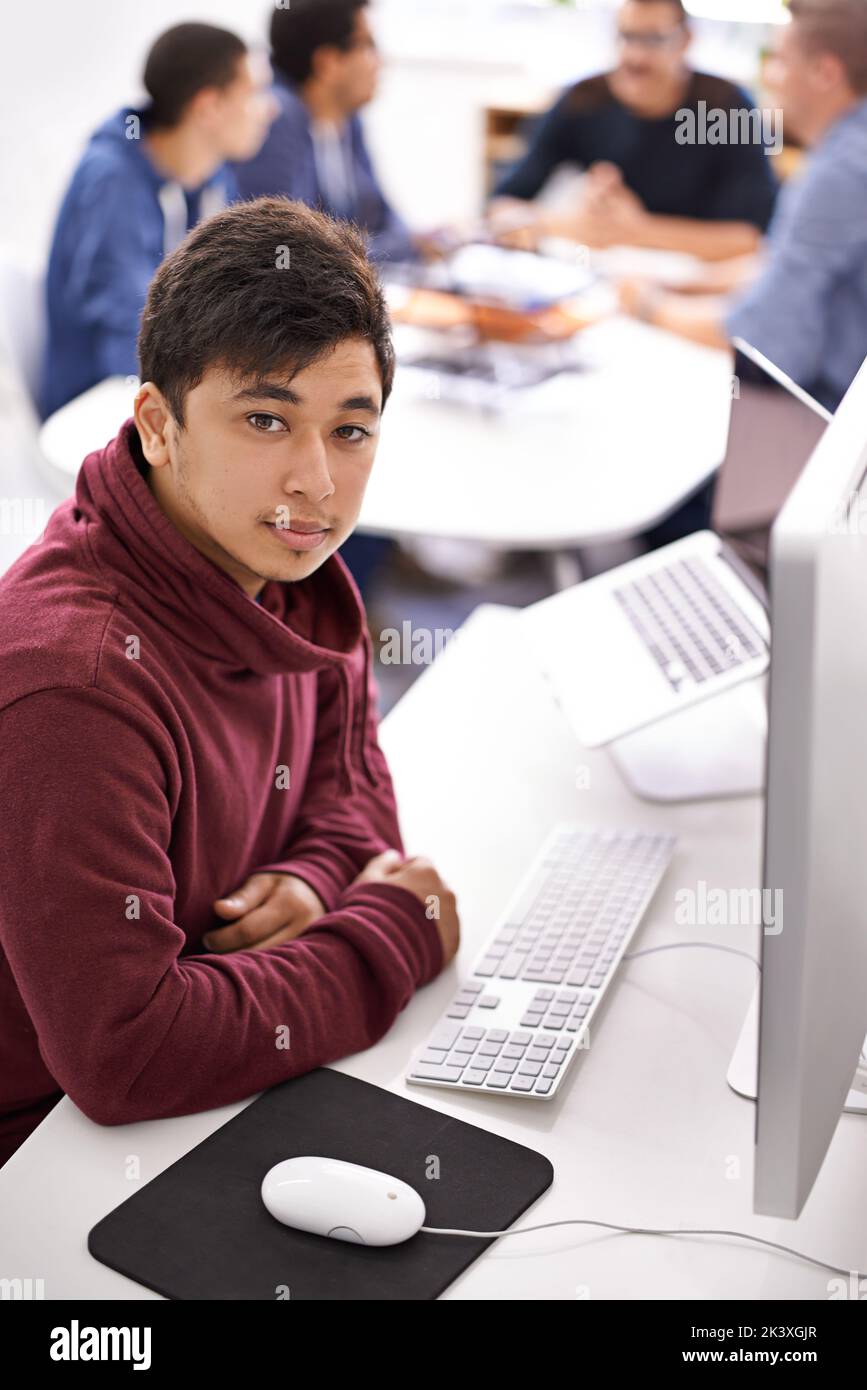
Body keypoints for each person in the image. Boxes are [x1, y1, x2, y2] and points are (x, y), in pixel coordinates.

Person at [0, 197, 459, 1169]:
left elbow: (357, 799)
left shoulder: (286, 569)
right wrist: (391, 932)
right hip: (50, 1160)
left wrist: (311, 877)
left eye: (351, 430)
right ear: (159, 426)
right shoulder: (71, 682)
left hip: (208, 1097)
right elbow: (125, 1049)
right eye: (265, 419)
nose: (317, 486)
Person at [620, 0, 867, 413]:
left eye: (780, 61)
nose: (767, 76)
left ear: (826, 72)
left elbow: (767, 340)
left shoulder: (841, 172)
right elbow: (782, 263)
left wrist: (647, 305)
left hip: (830, 429)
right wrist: (683, 283)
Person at [40, 23, 275, 419]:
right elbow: (125, 336)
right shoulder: (113, 181)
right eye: (253, 94)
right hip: (102, 413)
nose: (270, 108)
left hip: (178, 396)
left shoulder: (212, 178)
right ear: (207, 108)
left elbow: (240, 294)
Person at [489, 0, 778, 261]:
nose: (635, 57)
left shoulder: (728, 109)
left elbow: (753, 239)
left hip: (694, 288)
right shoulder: (583, 100)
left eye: (654, 40)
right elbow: (502, 206)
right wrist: (570, 224)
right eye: (627, 37)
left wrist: (639, 230)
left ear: (685, 41)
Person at [234, 0, 415, 266]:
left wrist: (402, 243)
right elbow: (291, 254)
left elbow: (386, 220)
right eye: (367, 46)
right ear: (327, 62)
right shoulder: (275, 118)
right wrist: (374, 250)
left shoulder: (348, 119)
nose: (380, 62)